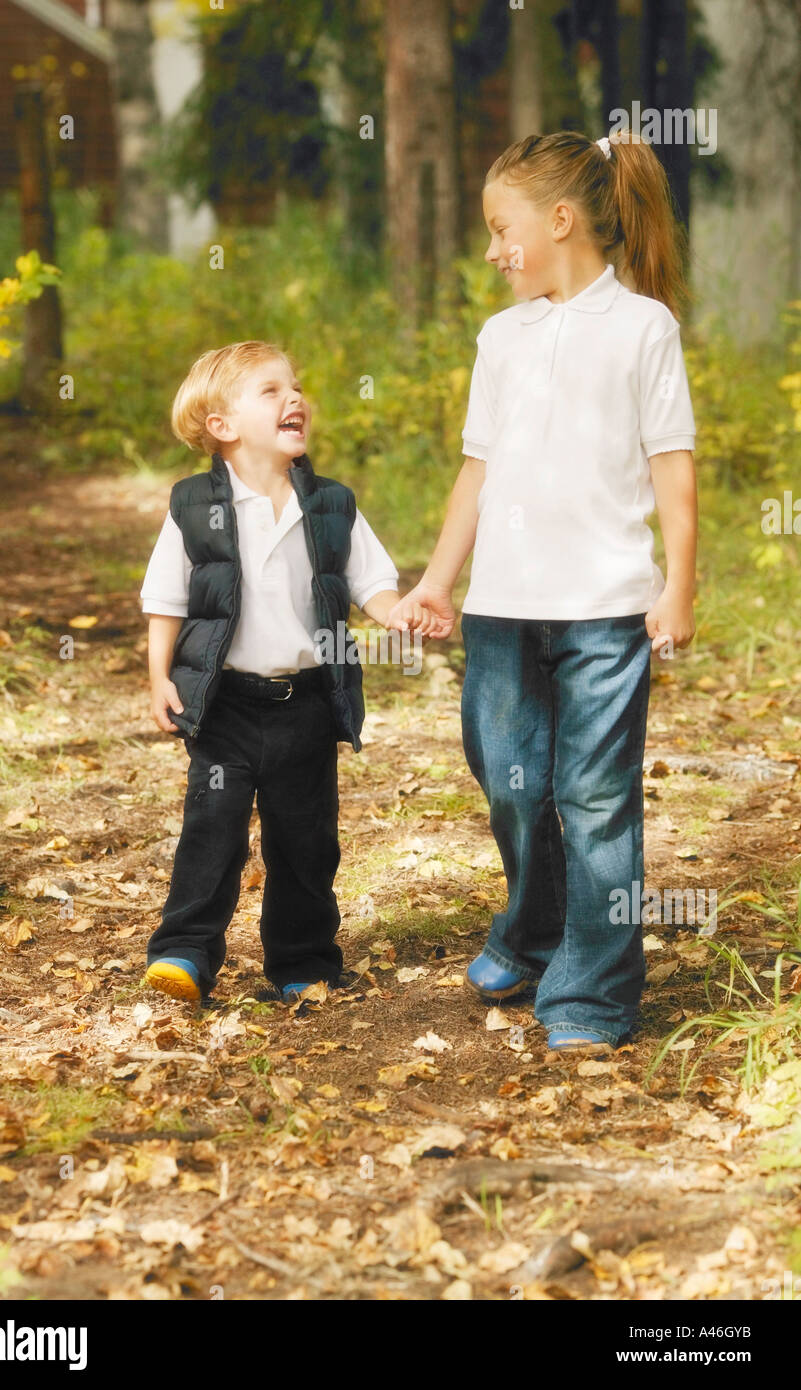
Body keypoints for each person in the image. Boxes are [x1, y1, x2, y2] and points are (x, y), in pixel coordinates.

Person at [390, 130, 698, 1054]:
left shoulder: (644, 327)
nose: (490, 250)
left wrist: (678, 585)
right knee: (508, 781)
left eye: (500, 228)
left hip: (606, 606)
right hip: (501, 608)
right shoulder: (501, 336)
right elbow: (476, 470)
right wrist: (438, 582)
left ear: (559, 221)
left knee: (594, 796)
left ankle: (594, 990)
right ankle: (532, 931)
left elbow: (672, 468)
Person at [140, 341, 406, 1004]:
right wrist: (158, 676)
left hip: (307, 703)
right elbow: (164, 601)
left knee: (305, 841)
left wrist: (399, 614)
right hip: (226, 703)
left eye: (295, 387)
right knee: (213, 830)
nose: (293, 398)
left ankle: (302, 960)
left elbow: (369, 581)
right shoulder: (193, 505)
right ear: (222, 426)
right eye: (269, 390)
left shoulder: (330, 505)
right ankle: (184, 953)